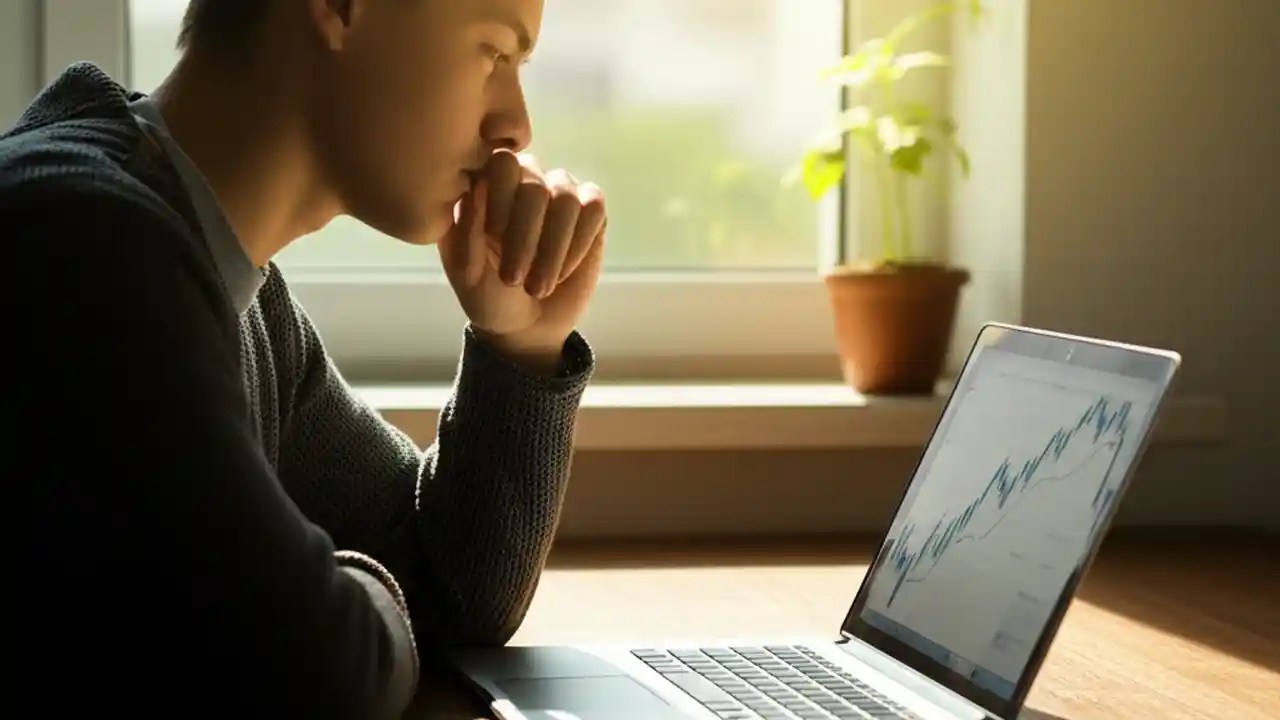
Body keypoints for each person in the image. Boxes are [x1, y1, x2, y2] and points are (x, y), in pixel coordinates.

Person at [5, 0, 606, 717]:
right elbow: (315, 668)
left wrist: (521, 346)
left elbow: (448, 591)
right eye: (496, 52)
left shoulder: (237, 292)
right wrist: (330, 598)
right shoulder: (85, 246)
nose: (517, 126)